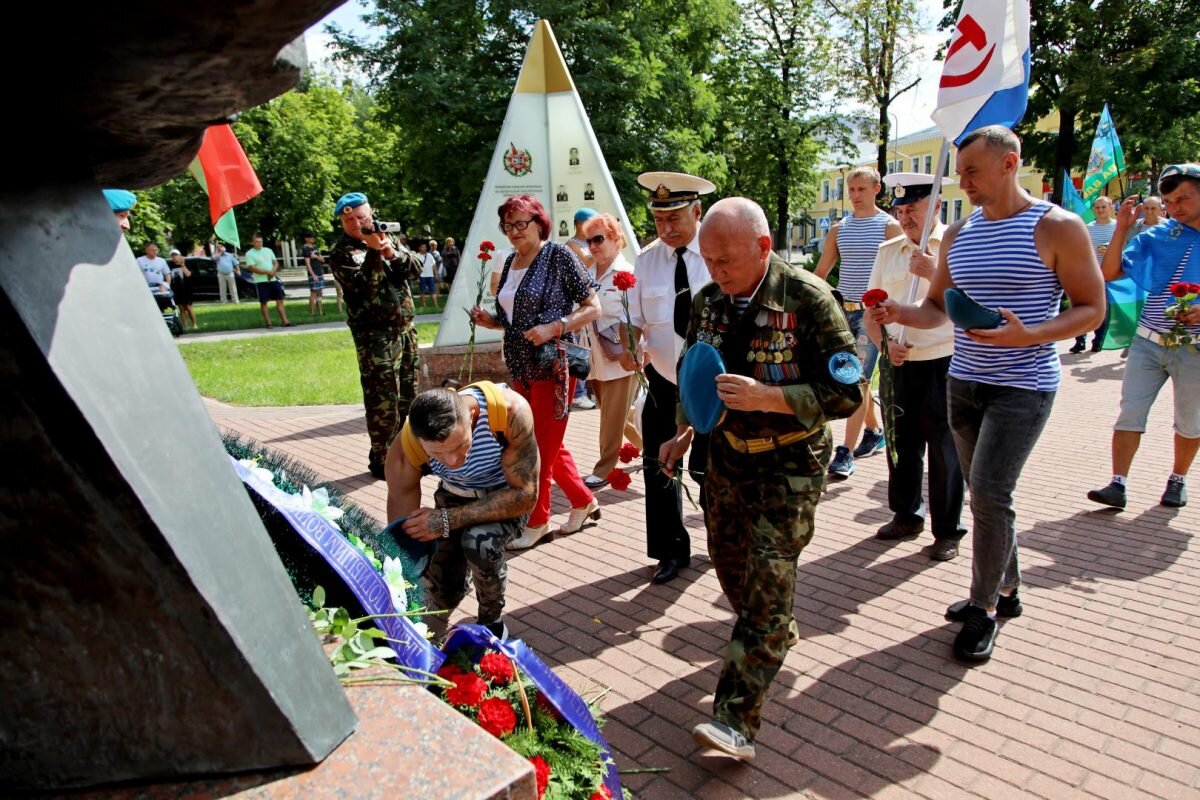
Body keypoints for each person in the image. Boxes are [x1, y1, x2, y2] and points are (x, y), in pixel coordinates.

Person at [871, 126, 1105, 663]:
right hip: (964, 382)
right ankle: (1008, 589)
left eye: (973, 171)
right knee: (987, 497)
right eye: (960, 173)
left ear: (1010, 163)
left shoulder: (1058, 226)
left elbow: (1093, 309)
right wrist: (896, 313)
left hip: (1024, 385)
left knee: (990, 494)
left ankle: (982, 610)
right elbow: (938, 308)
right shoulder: (959, 234)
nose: (964, 183)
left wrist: (1031, 334)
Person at [658, 197, 861, 761]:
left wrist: (769, 397)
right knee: (732, 571)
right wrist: (683, 431)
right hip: (727, 460)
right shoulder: (705, 303)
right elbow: (693, 374)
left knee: (767, 585)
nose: (716, 272)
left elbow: (848, 392)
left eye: (725, 260)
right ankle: (771, 628)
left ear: (763, 247)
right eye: (708, 260)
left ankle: (735, 721)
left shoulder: (809, 300)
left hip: (790, 464)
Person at [470, 194, 601, 549]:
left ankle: (539, 520)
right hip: (521, 368)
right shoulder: (512, 260)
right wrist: (492, 322)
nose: (513, 231)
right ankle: (583, 500)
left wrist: (554, 327)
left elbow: (593, 306)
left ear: (538, 222)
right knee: (547, 444)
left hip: (554, 368)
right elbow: (516, 322)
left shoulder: (558, 256)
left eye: (520, 223)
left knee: (535, 448)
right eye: (507, 225)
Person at [385, 383, 539, 640]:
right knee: (442, 581)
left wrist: (446, 520)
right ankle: (447, 594)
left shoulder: (510, 413)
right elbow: (404, 534)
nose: (454, 461)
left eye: (460, 445)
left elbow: (525, 496)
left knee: (478, 543)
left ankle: (492, 623)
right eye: (438, 454)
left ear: (473, 418)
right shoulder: (408, 445)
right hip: (454, 495)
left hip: (505, 495)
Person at [864, 173, 965, 561]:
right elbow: (871, 311)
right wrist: (885, 345)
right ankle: (906, 515)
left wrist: (934, 271)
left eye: (913, 210)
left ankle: (947, 530)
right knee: (902, 445)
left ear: (936, 205)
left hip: (945, 360)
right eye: (900, 210)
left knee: (944, 448)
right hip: (900, 361)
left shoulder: (956, 246)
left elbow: (967, 305)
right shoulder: (888, 251)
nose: (905, 218)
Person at [1087, 165, 1200, 511]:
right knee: (1130, 411)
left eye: (1183, 197)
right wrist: (1121, 227)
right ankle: (1117, 484)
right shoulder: (1159, 235)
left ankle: (1177, 479)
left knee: (1190, 419)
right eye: (1168, 200)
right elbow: (1109, 272)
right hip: (1148, 341)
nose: (1175, 206)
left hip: (1194, 347)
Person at [622, 171, 715, 585]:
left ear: (698, 211)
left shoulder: (717, 255)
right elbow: (636, 320)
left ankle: (722, 537)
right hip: (662, 379)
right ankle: (669, 550)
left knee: (710, 468)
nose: (666, 228)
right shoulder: (646, 260)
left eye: (675, 218)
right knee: (659, 466)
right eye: (659, 220)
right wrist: (630, 343)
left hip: (713, 382)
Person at [328, 192, 425, 480]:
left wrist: (389, 252)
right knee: (384, 401)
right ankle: (383, 461)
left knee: (409, 395)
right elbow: (363, 289)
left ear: (371, 214)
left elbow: (415, 269)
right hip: (375, 338)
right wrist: (372, 253)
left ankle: (412, 454)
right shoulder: (342, 252)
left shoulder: (387, 239)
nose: (357, 223)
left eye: (362, 217)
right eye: (350, 219)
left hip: (405, 332)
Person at [814, 167, 903, 479]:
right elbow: (822, 271)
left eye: (861, 189)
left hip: (872, 316)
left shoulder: (889, 227)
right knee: (852, 377)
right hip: (842, 313)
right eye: (850, 190)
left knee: (856, 379)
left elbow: (901, 274)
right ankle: (873, 431)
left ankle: (844, 453)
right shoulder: (840, 229)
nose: (854, 196)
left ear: (876, 189)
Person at [579, 213, 642, 488]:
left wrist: (639, 350)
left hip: (619, 356)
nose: (592, 246)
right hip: (594, 357)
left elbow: (639, 317)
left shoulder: (627, 273)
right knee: (615, 411)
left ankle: (604, 469)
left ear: (616, 240)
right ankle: (649, 444)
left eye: (599, 239)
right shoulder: (588, 273)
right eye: (588, 240)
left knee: (610, 417)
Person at [1070, 195, 1117, 353]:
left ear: (1110, 208)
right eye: (1097, 207)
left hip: (1109, 274)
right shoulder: (1088, 228)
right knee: (1081, 308)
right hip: (1090, 273)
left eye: (1103, 207)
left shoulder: (1117, 228)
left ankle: (1098, 341)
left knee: (1103, 310)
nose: (1100, 210)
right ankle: (1080, 340)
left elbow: (1123, 248)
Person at [245, 233, 291, 329]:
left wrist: (273, 271)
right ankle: (268, 323)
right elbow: (252, 268)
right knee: (264, 302)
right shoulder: (250, 254)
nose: (259, 244)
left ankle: (285, 321)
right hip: (261, 281)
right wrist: (267, 272)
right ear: (253, 242)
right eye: (257, 242)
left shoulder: (268, 250)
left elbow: (275, 262)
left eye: (261, 242)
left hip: (273, 279)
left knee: (280, 299)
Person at [168, 248, 197, 331]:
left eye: (176, 255)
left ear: (179, 255)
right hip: (177, 289)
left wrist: (182, 265)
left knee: (188, 307)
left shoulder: (186, 263)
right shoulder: (170, 265)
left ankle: (194, 324)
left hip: (186, 289)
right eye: (172, 255)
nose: (174, 257)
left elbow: (188, 274)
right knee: (181, 308)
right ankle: (185, 325)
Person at [302, 232, 326, 316]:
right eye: (311, 237)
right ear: (306, 238)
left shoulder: (315, 247)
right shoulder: (305, 248)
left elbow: (322, 260)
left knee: (320, 292)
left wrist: (316, 257)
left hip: (319, 271)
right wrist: (313, 275)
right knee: (313, 292)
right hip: (313, 273)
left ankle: (320, 311)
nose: (313, 238)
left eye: (313, 237)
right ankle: (311, 313)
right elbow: (307, 264)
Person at [417, 241, 438, 309]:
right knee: (422, 291)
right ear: (419, 248)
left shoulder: (429, 255)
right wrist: (417, 278)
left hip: (430, 275)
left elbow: (434, 265)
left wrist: (436, 274)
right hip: (422, 276)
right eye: (423, 247)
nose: (425, 248)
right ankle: (424, 305)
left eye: (425, 247)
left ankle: (435, 305)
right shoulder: (417, 256)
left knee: (433, 291)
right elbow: (415, 268)